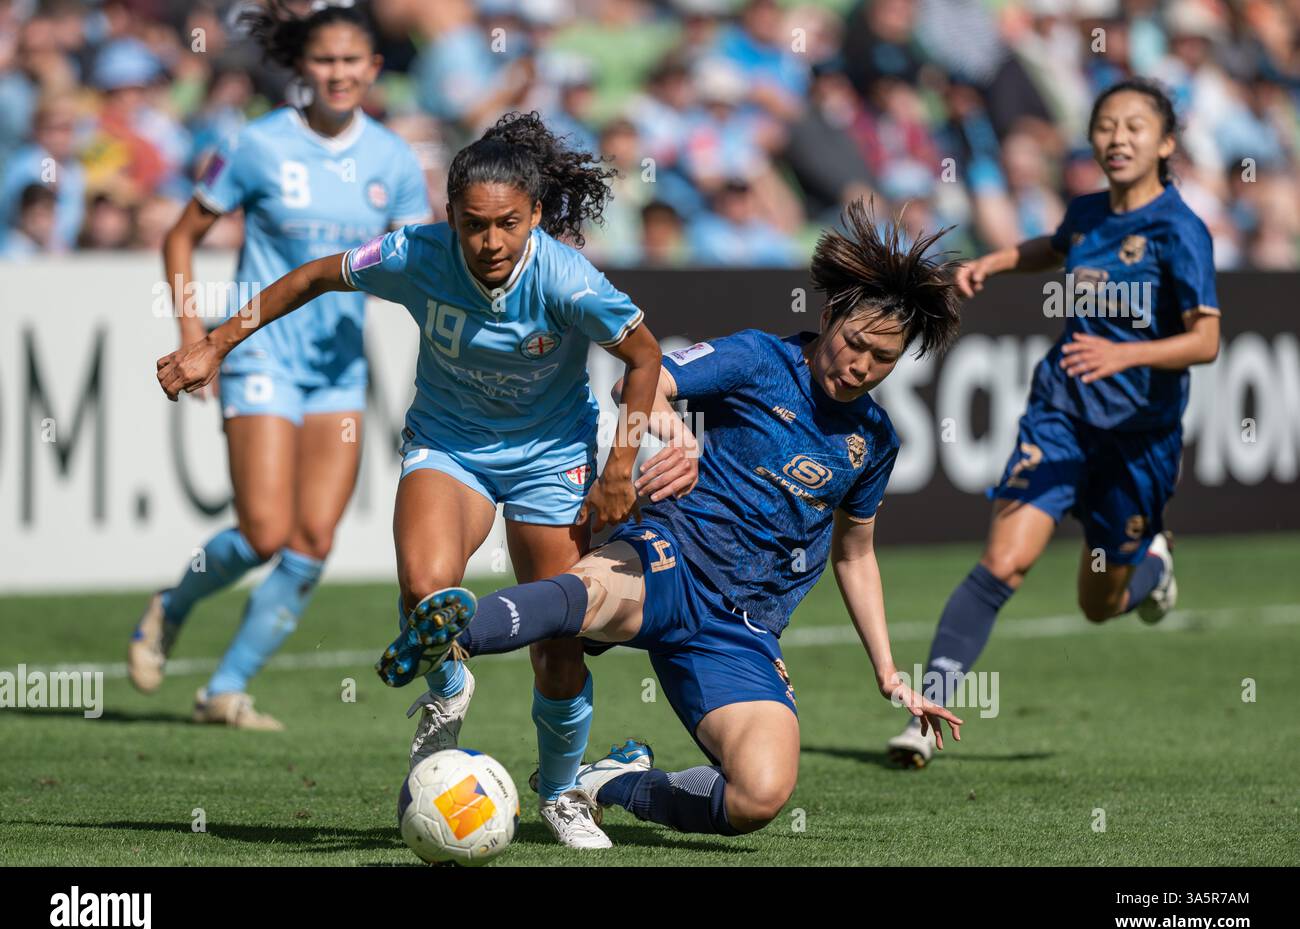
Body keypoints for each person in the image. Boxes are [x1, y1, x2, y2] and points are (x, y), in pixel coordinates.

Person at [375, 198, 964, 840]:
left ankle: (609, 782)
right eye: (854, 343)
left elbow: (855, 554)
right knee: (584, 596)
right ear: (828, 318)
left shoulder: (875, 440)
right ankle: (451, 635)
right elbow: (641, 380)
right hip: (669, 558)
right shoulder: (759, 360)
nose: (859, 367)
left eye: (882, 359)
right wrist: (675, 432)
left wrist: (888, 672)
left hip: (742, 630)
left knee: (759, 796)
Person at [154, 110, 664, 849]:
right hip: (450, 444)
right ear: (449, 216)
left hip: (552, 456)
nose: (490, 243)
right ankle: (449, 691)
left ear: (537, 217)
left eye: (508, 225)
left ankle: (559, 794)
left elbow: (645, 358)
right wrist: (213, 345)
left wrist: (621, 466)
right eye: (473, 225)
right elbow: (313, 276)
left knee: (558, 643)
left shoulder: (569, 279)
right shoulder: (416, 253)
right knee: (428, 591)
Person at [887, 78, 1221, 767]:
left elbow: (1205, 341)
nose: (1117, 138)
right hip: (1061, 413)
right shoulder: (1089, 212)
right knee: (1003, 562)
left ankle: (1152, 571)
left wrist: (1126, 352)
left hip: (1139, 442)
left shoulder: (1180, 231)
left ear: (1164, 143)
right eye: (1106, 124)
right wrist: (996, 262)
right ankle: (926, 715)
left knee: (1098, 604)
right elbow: (1056, 246)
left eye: (1135, 126)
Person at [129, 1, 431, 729]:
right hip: (259, 351)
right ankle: (171, 606)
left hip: (338, 367)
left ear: (373, 68)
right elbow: (181, 235)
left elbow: (423, 265)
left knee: (313, 542)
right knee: (265, 532)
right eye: (324, 60)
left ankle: (226, 689)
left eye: (351, 60)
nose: (338, 73)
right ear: (302, 67)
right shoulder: (256, 145)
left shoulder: (394, 159)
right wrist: (195, 333)